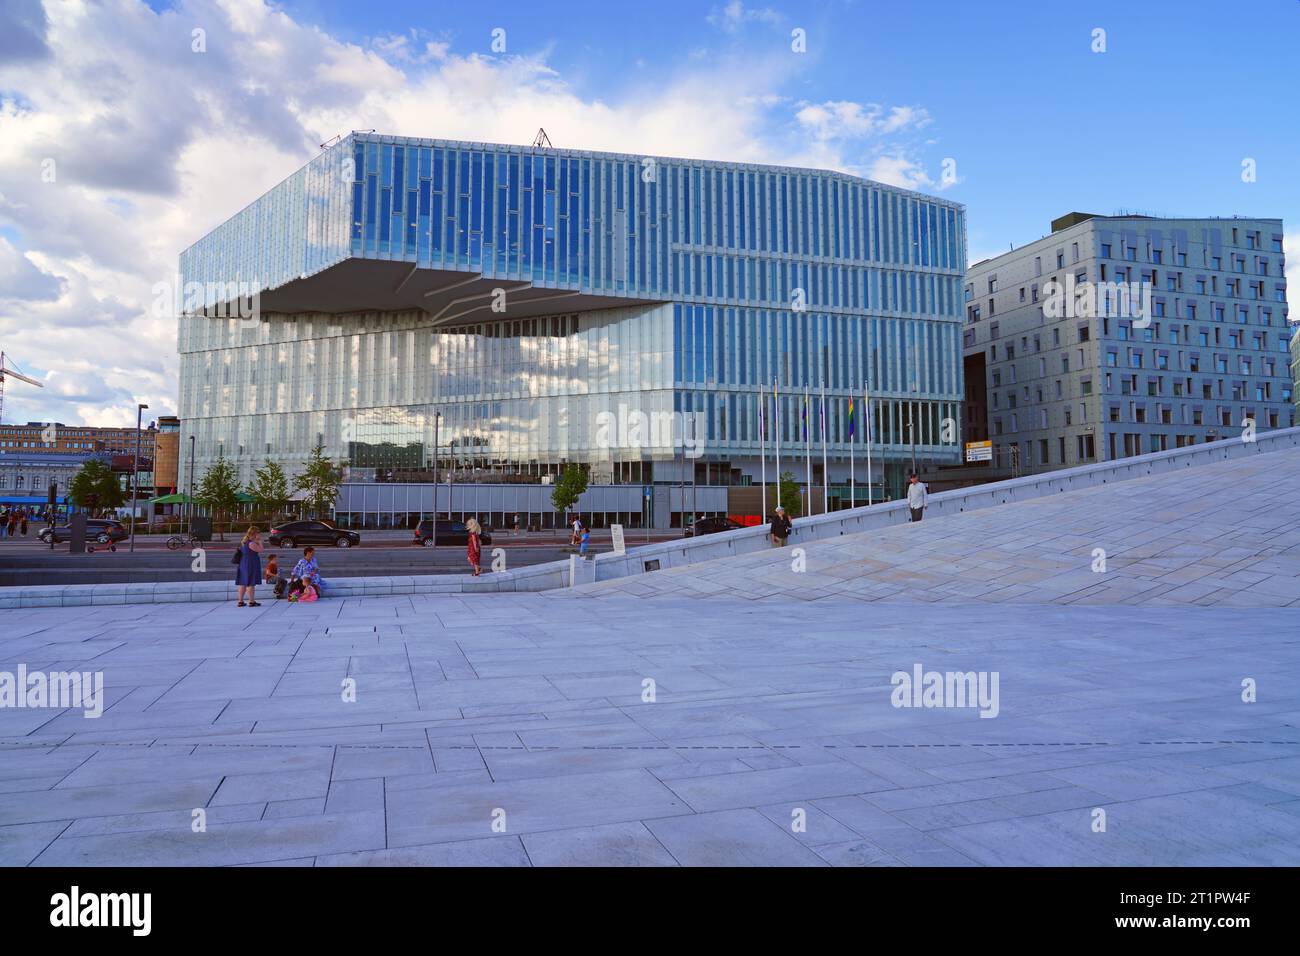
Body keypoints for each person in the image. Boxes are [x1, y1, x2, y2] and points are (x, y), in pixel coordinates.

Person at [235, 525, 264, 607]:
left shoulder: (244, 542)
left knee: (242, 582)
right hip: (250, 563)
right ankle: (251, 601)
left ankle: (240, 601)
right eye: (258, 533)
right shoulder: (251, 543)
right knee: (250, 582)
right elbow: (261, 550)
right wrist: (259, 541)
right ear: (254, 534)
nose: (260, 535)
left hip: (243, 563)